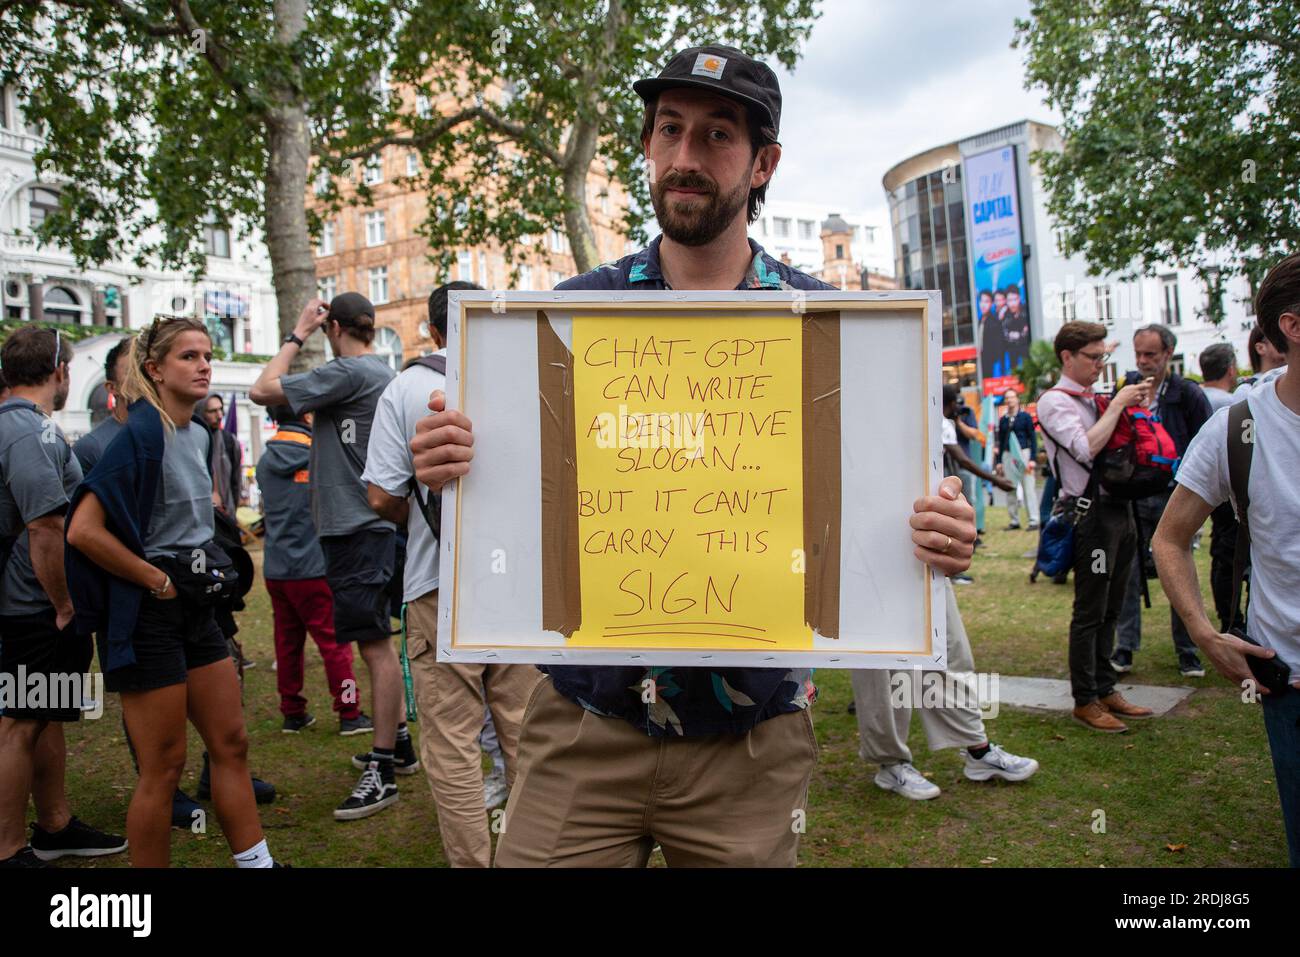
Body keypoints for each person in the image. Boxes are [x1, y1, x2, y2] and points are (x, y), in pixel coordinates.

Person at [410, 43, 978, 867]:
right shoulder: (562, 320)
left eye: (716, 136)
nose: (685, 157)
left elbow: (885, 516)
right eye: (669, 130)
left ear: (763, 163)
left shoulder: (831, 331)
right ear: (646, 147)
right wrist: (451, 468)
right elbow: (503, 519)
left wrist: (936, 541)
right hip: (582, 725)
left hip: (751, 742)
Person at [65, 316, 279, 867]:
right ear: (155, 370)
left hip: (197, 609)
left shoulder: (201, 434)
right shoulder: (138, 433)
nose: (204, 365)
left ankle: (258, 865)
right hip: (148, 615)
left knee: (230, 743)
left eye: (207, 355)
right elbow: (83, 530)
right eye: (188, 356)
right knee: (163, 765)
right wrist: (154, 578)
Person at [363, 281, 539, 866]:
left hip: (437, 584)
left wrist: (422, 499)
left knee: (452, 746)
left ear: (434, 329)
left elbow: (380, 495)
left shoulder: (406, 387)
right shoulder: (521, 381)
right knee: (524, 737)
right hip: (517, 585)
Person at [1152, 253, 1300, 866]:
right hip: (1288, 679)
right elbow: (1170, 538)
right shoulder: (1238, 427)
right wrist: (1203, 632)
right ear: (1293, 327)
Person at [250, 292, 406, 821]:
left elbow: (260, 389)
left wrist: (297, 334)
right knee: (375, 641)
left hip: (357, 529)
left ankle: (382, 768)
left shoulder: (351, 372)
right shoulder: (379, 372)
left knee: (376, 647)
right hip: (369, 527)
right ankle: (399, 742)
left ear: (333, 327)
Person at [0, 327, 127, 868]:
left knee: (45, 714)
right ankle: (7, 849)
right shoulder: (26, 432)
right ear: (60, 374)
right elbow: (46, 528)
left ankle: (54, 825)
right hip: (32, 606)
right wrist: (64, 605)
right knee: (19, 722)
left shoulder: (26, 427)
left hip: (34, 603)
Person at [1036, 321, 1154, 732]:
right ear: (1067, 357)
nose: (1100, 365)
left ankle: (1106, 688)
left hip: (1119, 511)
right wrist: (1119, 403)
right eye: (1092, 357)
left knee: (1114, 605)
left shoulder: (1090, 396)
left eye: (1104, 356)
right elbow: (1085, 448)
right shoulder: (1054, 401)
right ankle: (1085, 698)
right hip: (1091, 518)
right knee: (1090, 610)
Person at [853, 583, 1038, 800]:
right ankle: (891, 764)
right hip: (864, 561)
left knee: (947, 645)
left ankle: (979, 750)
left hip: (923, 557)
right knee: (884, 658)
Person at [256, 404, 366, 734]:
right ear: (307, 417)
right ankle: (349, 711)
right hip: (314, 567)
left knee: (287, 644)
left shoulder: (264, 461)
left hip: (277, 567)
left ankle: (292, 711)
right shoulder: (318, 456)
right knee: (335, 645)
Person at [1112, 324, 1212, 677]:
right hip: (1135, 495)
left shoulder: (1186, 393)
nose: (1143, 361)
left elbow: (1206, 441)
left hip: (1175, 494)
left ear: (1168, 353)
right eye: (1138, 354)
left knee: (1179, 570)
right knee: (1128, 573)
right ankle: (1124, 647)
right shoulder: (1125, 389)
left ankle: (1188, 650)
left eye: (1150, 354)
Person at [1197, 342, 1245, 633]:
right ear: (1231, 369)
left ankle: (1226, 617)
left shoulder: (1195, 396)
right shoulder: (1231, 404)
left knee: (1219, 551)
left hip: (1200, 484)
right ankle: (1233, 620)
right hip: (1229, 485)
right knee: (1232, 552)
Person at [73, 335, 133, 474]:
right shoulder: (91, 448)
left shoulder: (173, 432)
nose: (142, 379)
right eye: (132, 372)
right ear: (112, 388)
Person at [995, 388, 1039, 530]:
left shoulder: (1025, 417)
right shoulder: (1003, 420)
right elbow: (1001, 442)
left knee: (1028, 487)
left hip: (1023, 453)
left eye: (1012, 397)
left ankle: (1033, 519)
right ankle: (1014, 520)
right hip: (1008, 454)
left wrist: (1032, 458)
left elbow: (1032, 438)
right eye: (1007, 398)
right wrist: (999, 461)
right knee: (1010, 487)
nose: (1010, 400)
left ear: (1017, 399)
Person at [202, 393, 241, 515]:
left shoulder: (229, 441)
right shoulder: (193, 442)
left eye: (220, 409)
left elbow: (236, 481)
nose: (219, 415)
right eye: (212, 411)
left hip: (226, 514)